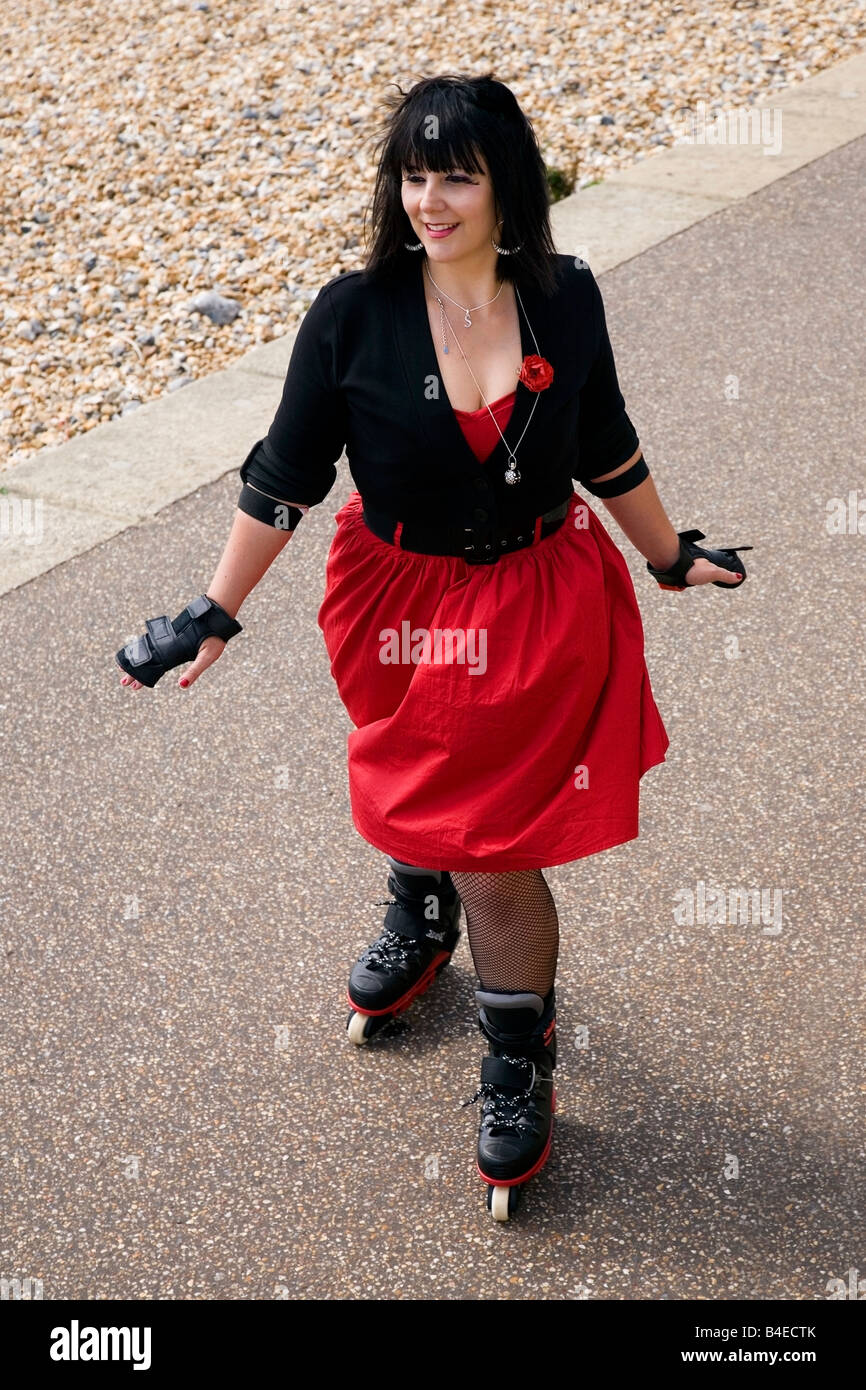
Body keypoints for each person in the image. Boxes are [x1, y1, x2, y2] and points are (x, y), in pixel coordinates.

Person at [115, 72, 750, 1220]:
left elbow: (603, 442)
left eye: (454, 172)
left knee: (497, 841)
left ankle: (517, 1054)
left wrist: (665, 555)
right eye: (412, 173)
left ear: (506, 181)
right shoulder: (350, 314)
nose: (428, 198)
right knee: (426, 783)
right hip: (393, 606)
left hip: (534, 603)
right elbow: (283, 478)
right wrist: (213, 611)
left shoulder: (565, 299)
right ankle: (420, 892)